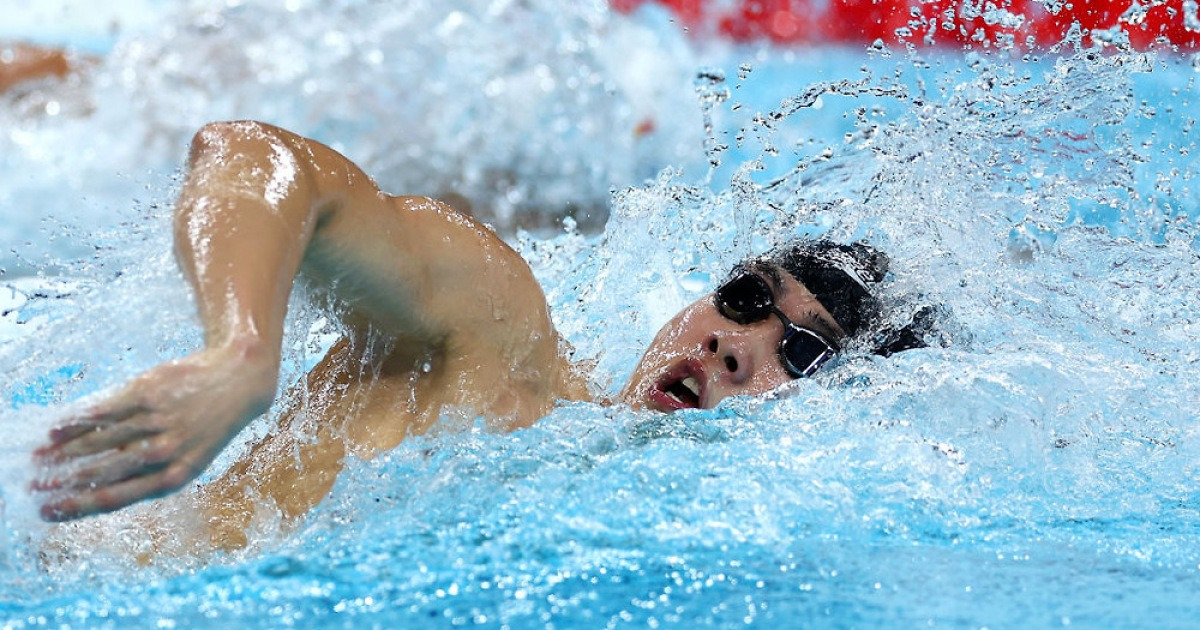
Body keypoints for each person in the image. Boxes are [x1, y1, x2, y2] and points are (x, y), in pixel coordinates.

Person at [31, 121, 927, 552]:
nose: (738, 344)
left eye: (800, 354)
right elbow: (256, 154)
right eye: (744, 298)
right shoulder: (497, 337)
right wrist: (240, 351)